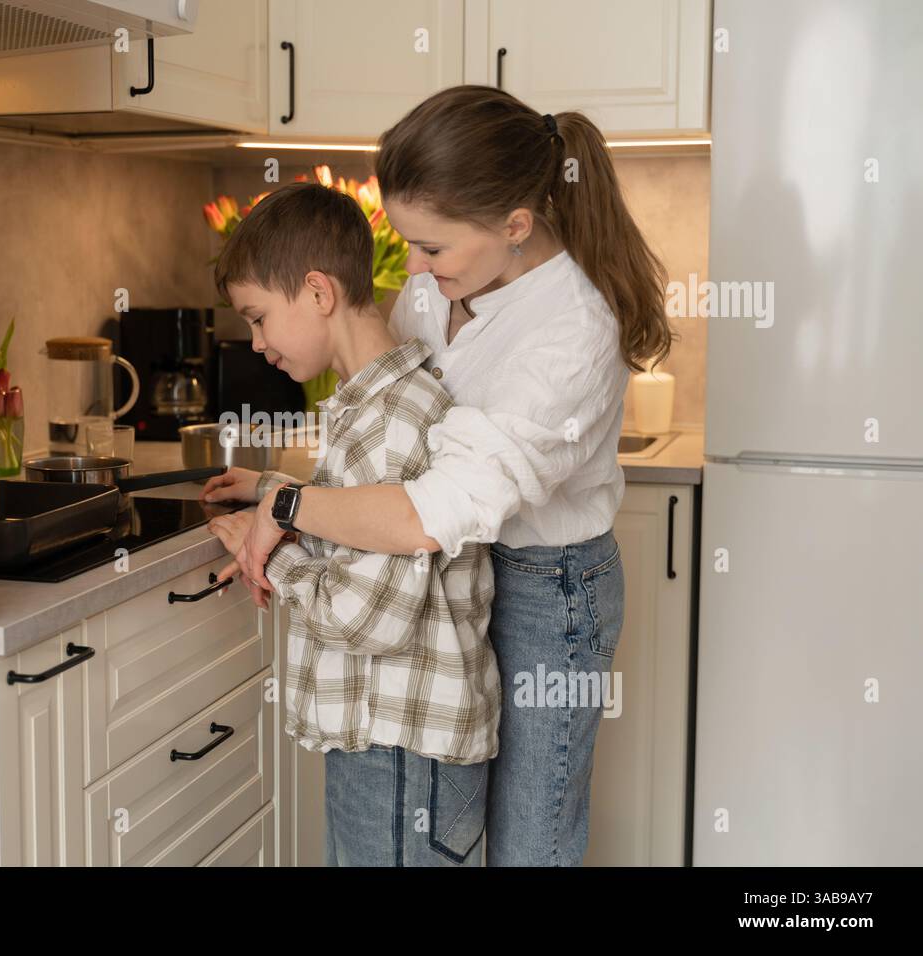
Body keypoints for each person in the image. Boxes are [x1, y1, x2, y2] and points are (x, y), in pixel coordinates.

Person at [206, 86, 674, 866]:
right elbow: (398, 414)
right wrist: (274, 491)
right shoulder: (445, 277)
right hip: (461, 577)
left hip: (547, 592)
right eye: (409, 243)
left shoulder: (571, 331)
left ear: (515, 226)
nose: (413, 271)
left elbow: (429, 511)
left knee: (530, 842)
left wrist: (288, 505)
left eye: (431, 249)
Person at [204, 180, 499, 867]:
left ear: (317, 292)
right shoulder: (382, 405)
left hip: (398, 757)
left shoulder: (388, 422)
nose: (254, 344)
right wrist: (276, 491)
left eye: (257, 317)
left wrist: (269, 555)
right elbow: (356, 517)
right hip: (401, 749)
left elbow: (368, 619)